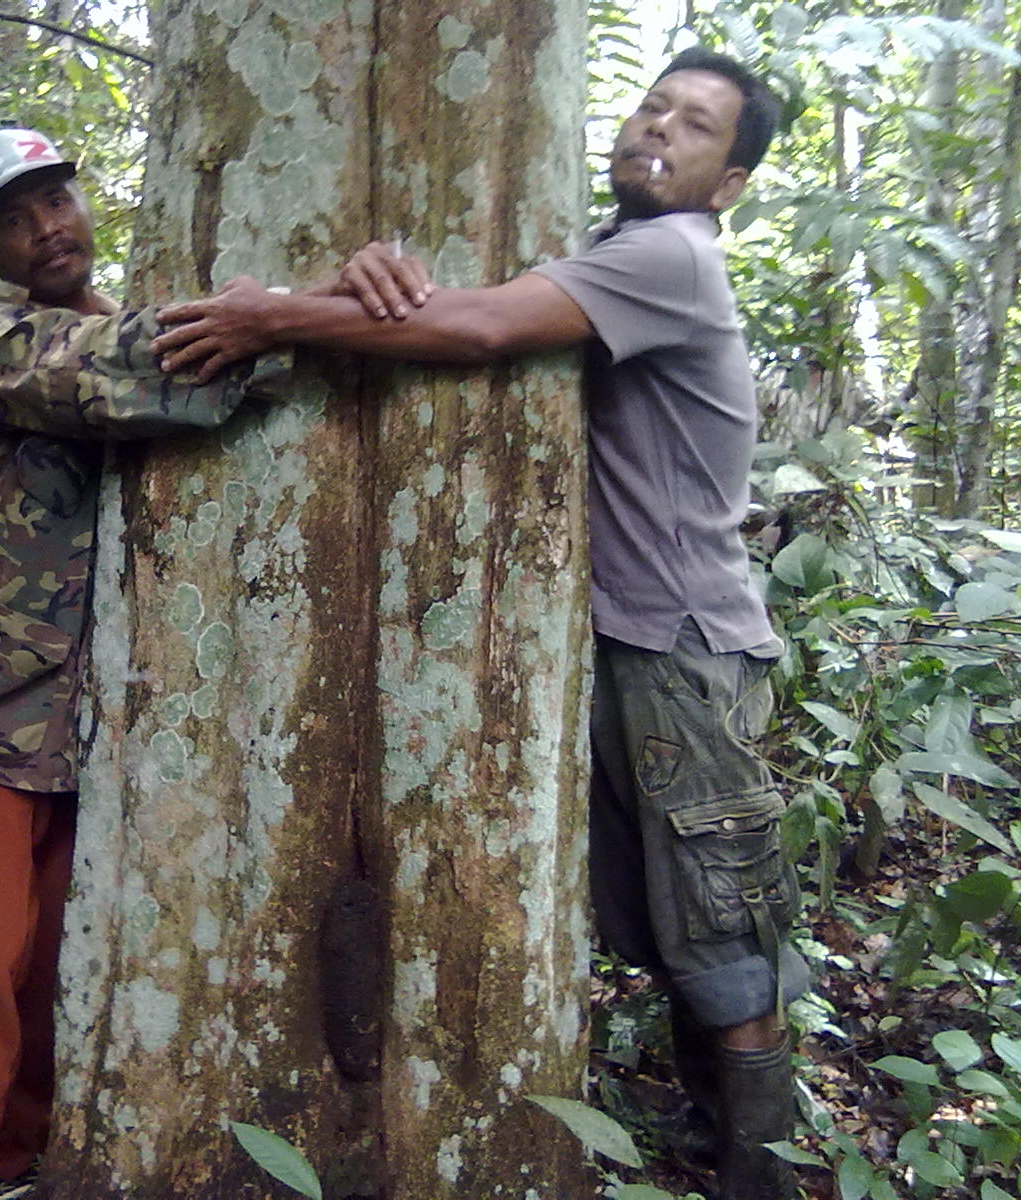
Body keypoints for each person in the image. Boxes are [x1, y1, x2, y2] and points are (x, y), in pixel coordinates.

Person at [151, 47, 808, 1200]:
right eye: (653, 104)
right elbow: (457, 304)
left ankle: (762, 1174)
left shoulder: (670, 256)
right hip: (636, 642)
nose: (658, 128)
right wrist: (379, 268)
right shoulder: (606, 251)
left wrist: (271, 318)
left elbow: (479, 333)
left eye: (695, 126)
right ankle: (718, 1138)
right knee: (662, 919)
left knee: (717, 932)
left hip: (688, 650)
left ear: (728, 181)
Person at [0, 128, 289, 1199]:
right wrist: (304, 319)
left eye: (55, 201)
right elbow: (135, 380)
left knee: (59, 970)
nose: (45, 231)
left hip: (104, 716)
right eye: (13, 222)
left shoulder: (120, 307)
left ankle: (19, 1160)